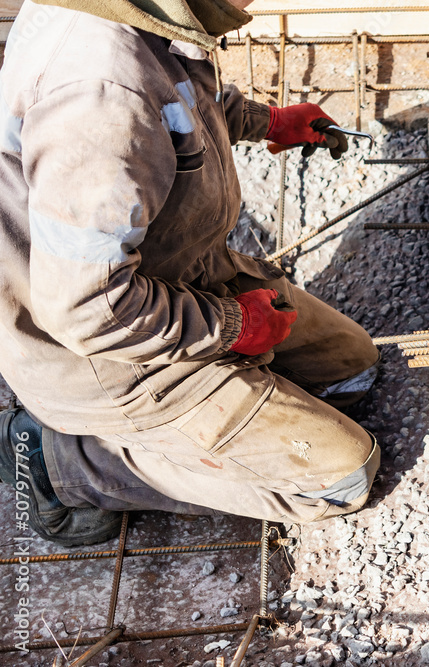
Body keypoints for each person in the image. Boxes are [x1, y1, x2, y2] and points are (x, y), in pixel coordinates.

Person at [0, 0, 381, 546]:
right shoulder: (102, 95)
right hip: (104, 356)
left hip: (177, 279)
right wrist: (231, 325)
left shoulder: (147, 13)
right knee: (342, 477)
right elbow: (84, 308)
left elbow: (176, 96)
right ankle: (66, 460)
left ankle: (223, 401)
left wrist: (267, 121)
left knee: (352, 372)